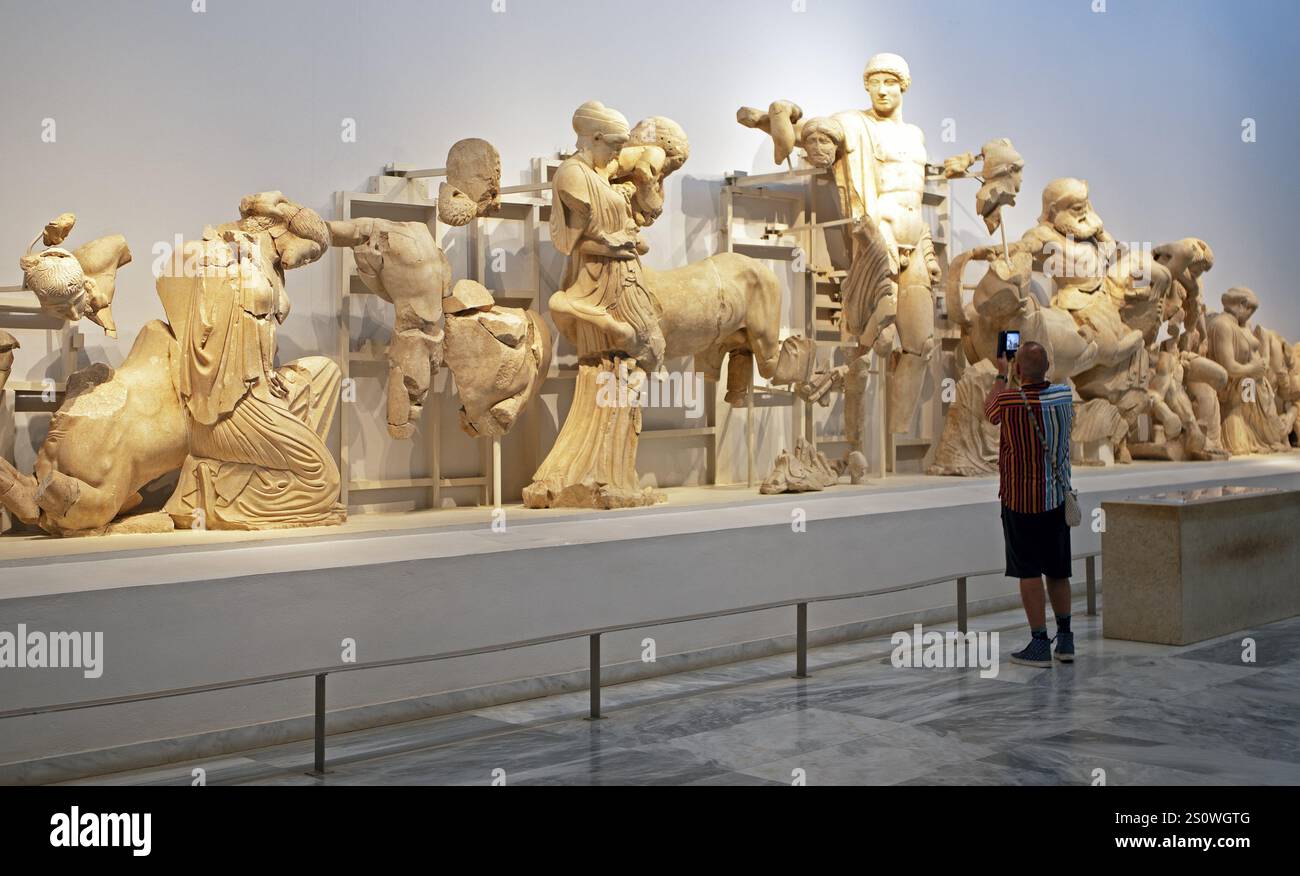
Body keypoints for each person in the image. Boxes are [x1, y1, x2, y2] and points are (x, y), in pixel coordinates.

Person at [984, 341, 1076, 667]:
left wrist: (1001, 374)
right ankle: (1065, 639)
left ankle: (1039, 642)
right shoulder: (1065, 396)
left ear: (1018, 369)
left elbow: (989, 410)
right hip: (1055, 499)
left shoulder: (1008, 401)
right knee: (1058, 570)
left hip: (1019, 501)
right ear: (1048, 366)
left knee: (1028, 572)